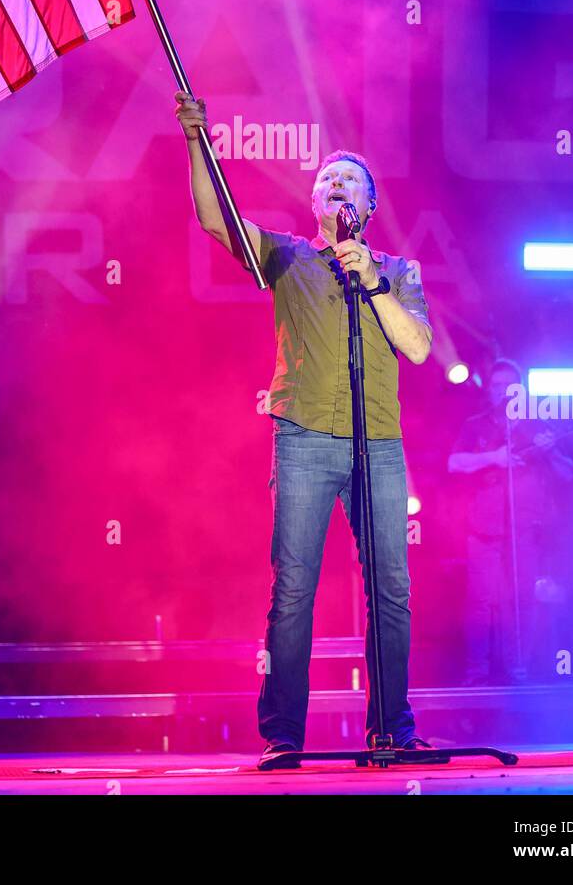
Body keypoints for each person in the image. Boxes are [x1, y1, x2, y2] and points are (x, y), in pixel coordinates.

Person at [175, 91, 433, 767]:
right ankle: (284, 732)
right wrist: (198, 144)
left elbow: (418, 348)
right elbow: (213, 217)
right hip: (304, 438)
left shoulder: (399, 272)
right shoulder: (288, 256)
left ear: (369, 208)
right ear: (315, 202)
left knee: (391, 589)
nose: (336, 183)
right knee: (294, 585)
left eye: (350, 179)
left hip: (378, 441)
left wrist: (373, 278)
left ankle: (391, 728)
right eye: (326, 179)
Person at [448, 358, 573, 685]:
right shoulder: (475, 425)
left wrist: (552, 450)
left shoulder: (537, 426)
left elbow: (567, 473)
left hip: (525, 530)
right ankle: (478, 670)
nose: (503, 392)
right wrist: (494, 458)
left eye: (510, 387)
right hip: (484, 530)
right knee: (481, 600)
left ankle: (520, 667)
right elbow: (454, 463)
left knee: (521, 600)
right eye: (497, 386)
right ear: (489, 391)